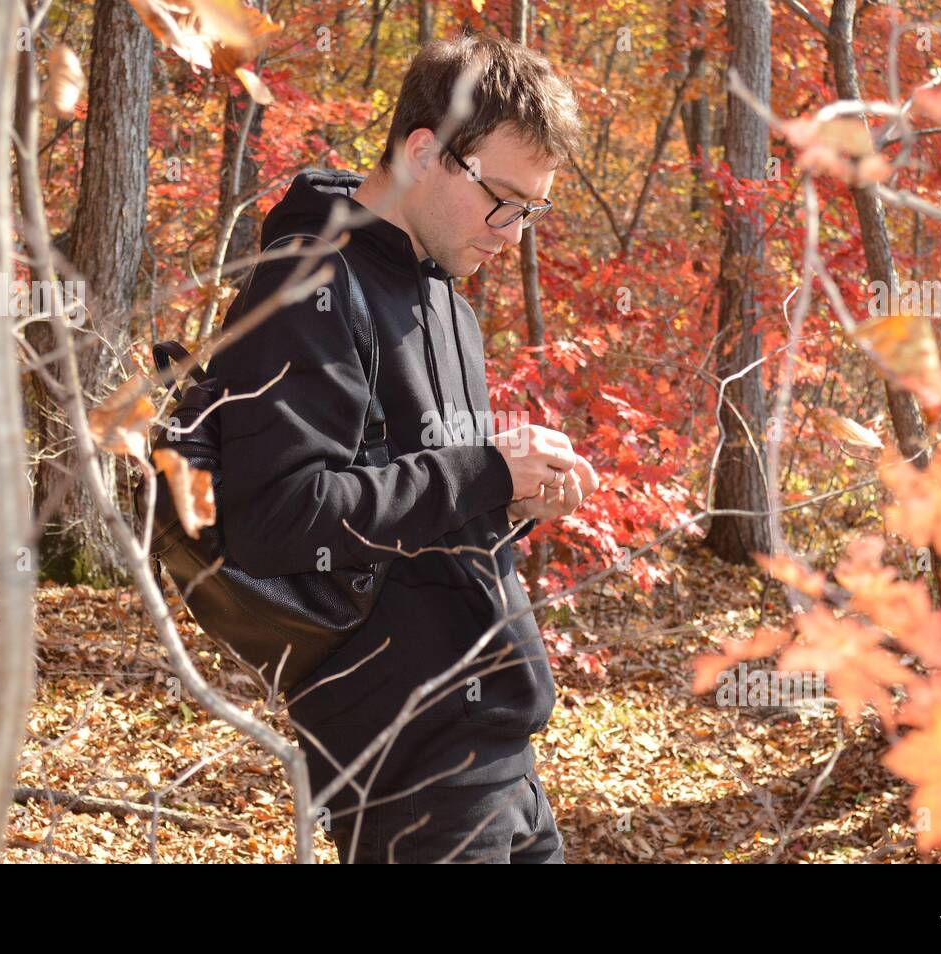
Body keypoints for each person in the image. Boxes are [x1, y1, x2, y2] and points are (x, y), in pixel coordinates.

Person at [208, 32, 597, 863]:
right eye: (503, 199)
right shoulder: (309, 280)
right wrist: (486, 469)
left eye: (534, 209)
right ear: (425, 151)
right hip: (406, 772)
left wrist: (511, 498)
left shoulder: (447, 303)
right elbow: (277, 517)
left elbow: (426, 507)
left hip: (502, 751)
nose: (515, 233)